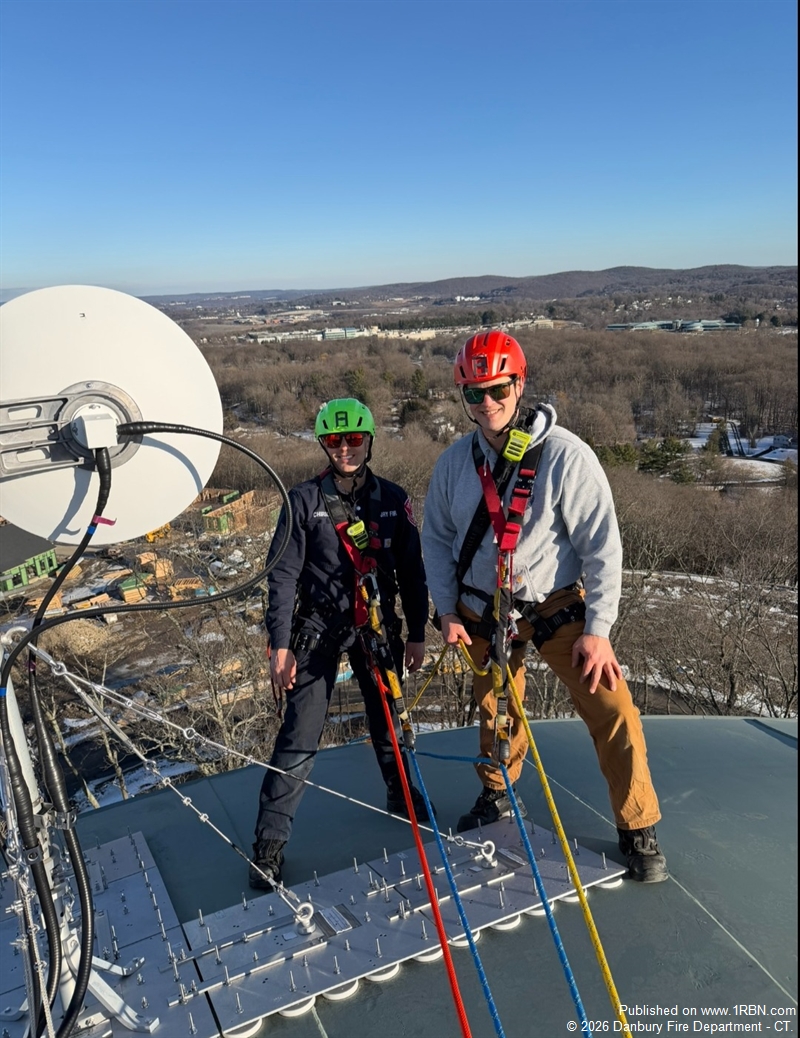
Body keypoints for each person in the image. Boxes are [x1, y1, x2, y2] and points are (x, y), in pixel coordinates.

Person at [422, 331, 668, 883]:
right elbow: (435, 541)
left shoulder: (565, 457)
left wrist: (599, 628)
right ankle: (498, 795)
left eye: (496, 389)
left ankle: (638, 825)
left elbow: (602, 546)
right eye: (473, 393)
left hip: (554, 604)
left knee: (613, 708)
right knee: (495, 710)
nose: (486, 402)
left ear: (519, 384)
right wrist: (447, 611)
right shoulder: (455, 465)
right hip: (483, 608)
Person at [250, 398, 430, 890]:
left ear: (369, 441)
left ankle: (402, 795)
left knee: (387, 718)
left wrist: (416, 632)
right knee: (300, 734)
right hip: (319, 629)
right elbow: (283, 577)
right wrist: (280, 645)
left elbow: (412, 573)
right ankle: (269, 844)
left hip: (375, 627)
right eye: (335, 441)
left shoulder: (392, 499)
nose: (346, 449)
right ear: (323, 445)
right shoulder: (304, 502)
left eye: (354, 440)